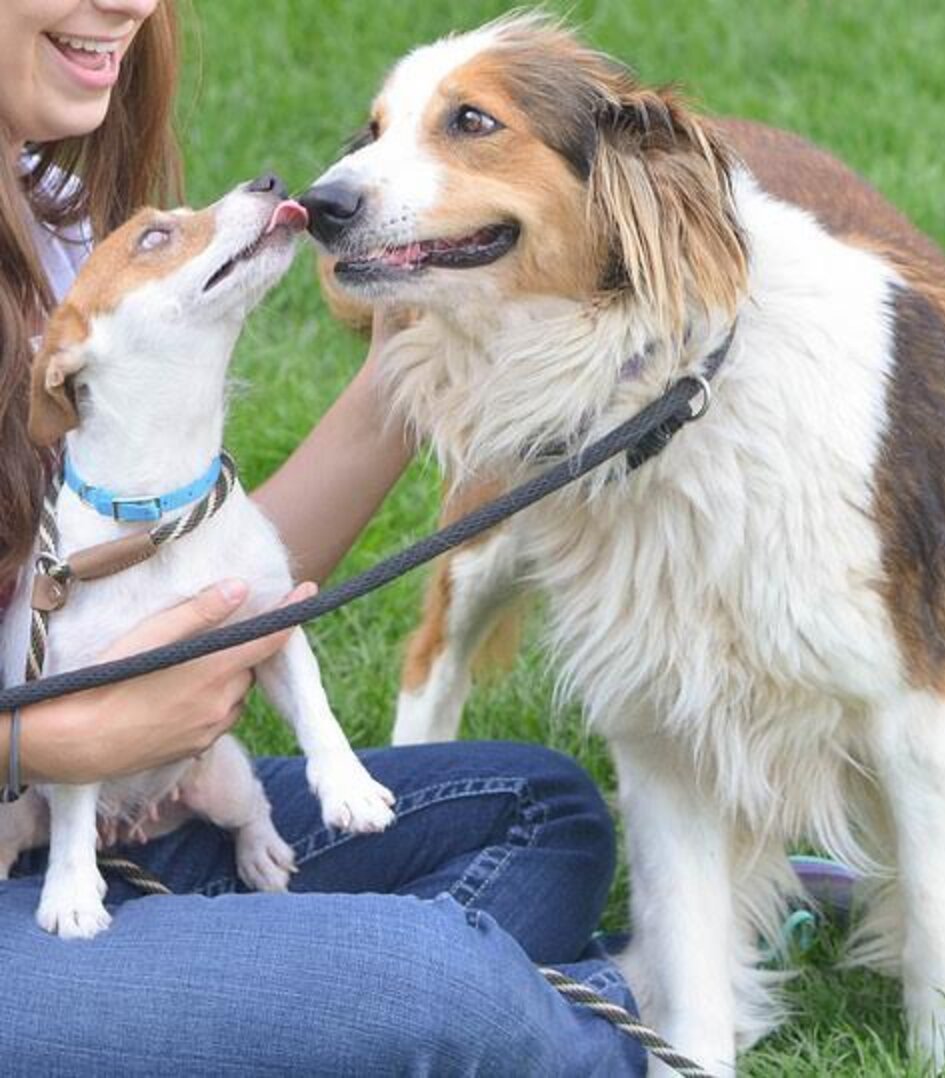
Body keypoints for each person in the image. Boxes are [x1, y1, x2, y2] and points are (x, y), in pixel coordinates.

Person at [0, 3, 644, 1074]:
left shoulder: (54, 222)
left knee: (544, 814)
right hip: (45, 816)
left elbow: (213, 583)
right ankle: (609, 1014)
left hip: (116, 821)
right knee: (435, 983)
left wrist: (416, 343)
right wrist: (40, 747)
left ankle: (311, 998)